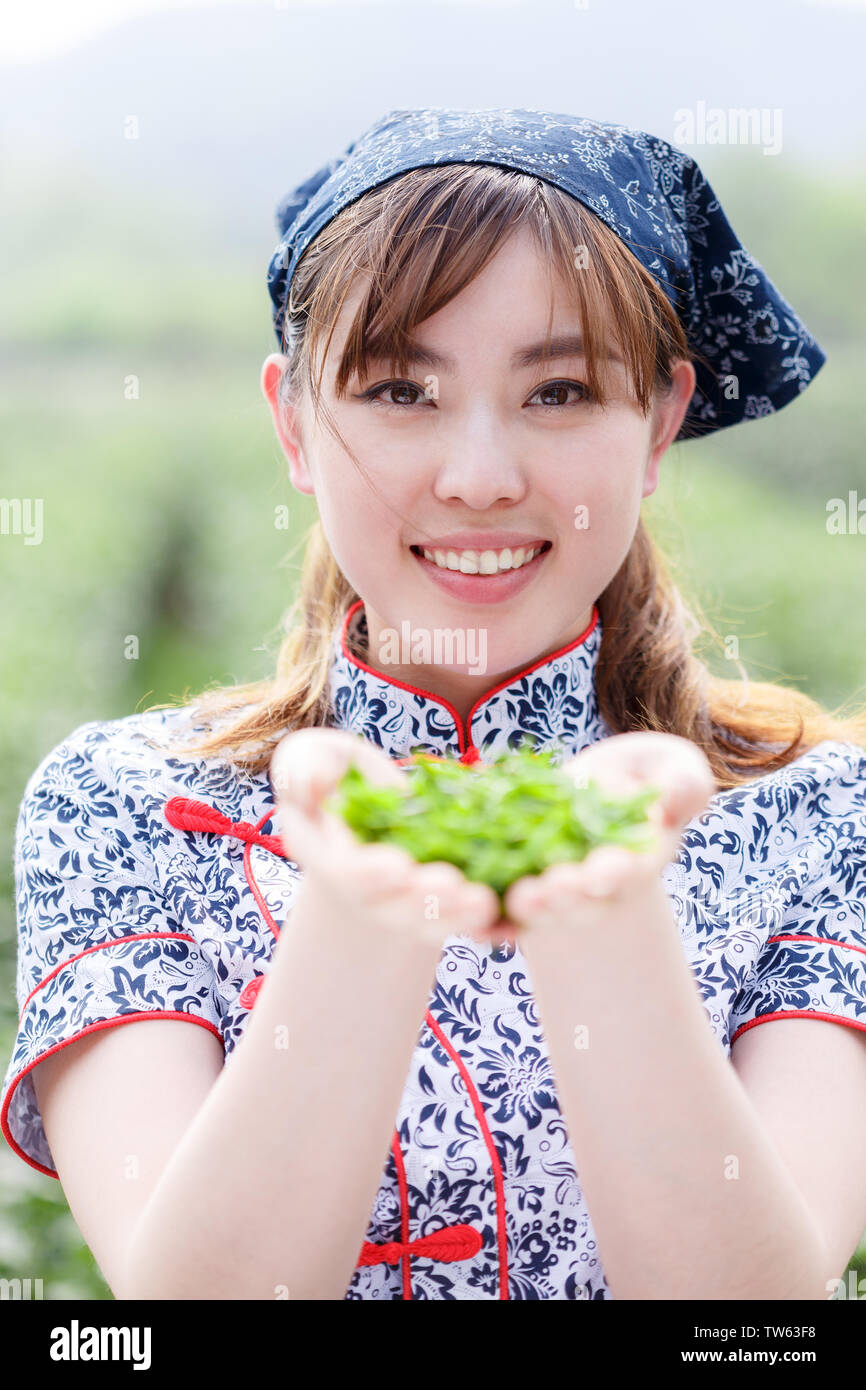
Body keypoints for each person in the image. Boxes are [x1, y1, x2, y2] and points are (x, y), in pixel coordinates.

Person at [3, 107, 866, 1302]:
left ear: (659, 420)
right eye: (400, 388)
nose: (477, 477)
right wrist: (362, 906)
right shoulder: (127, 809)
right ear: (294, 423)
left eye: (558, 392)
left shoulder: (812, 816)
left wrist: (602, 901)